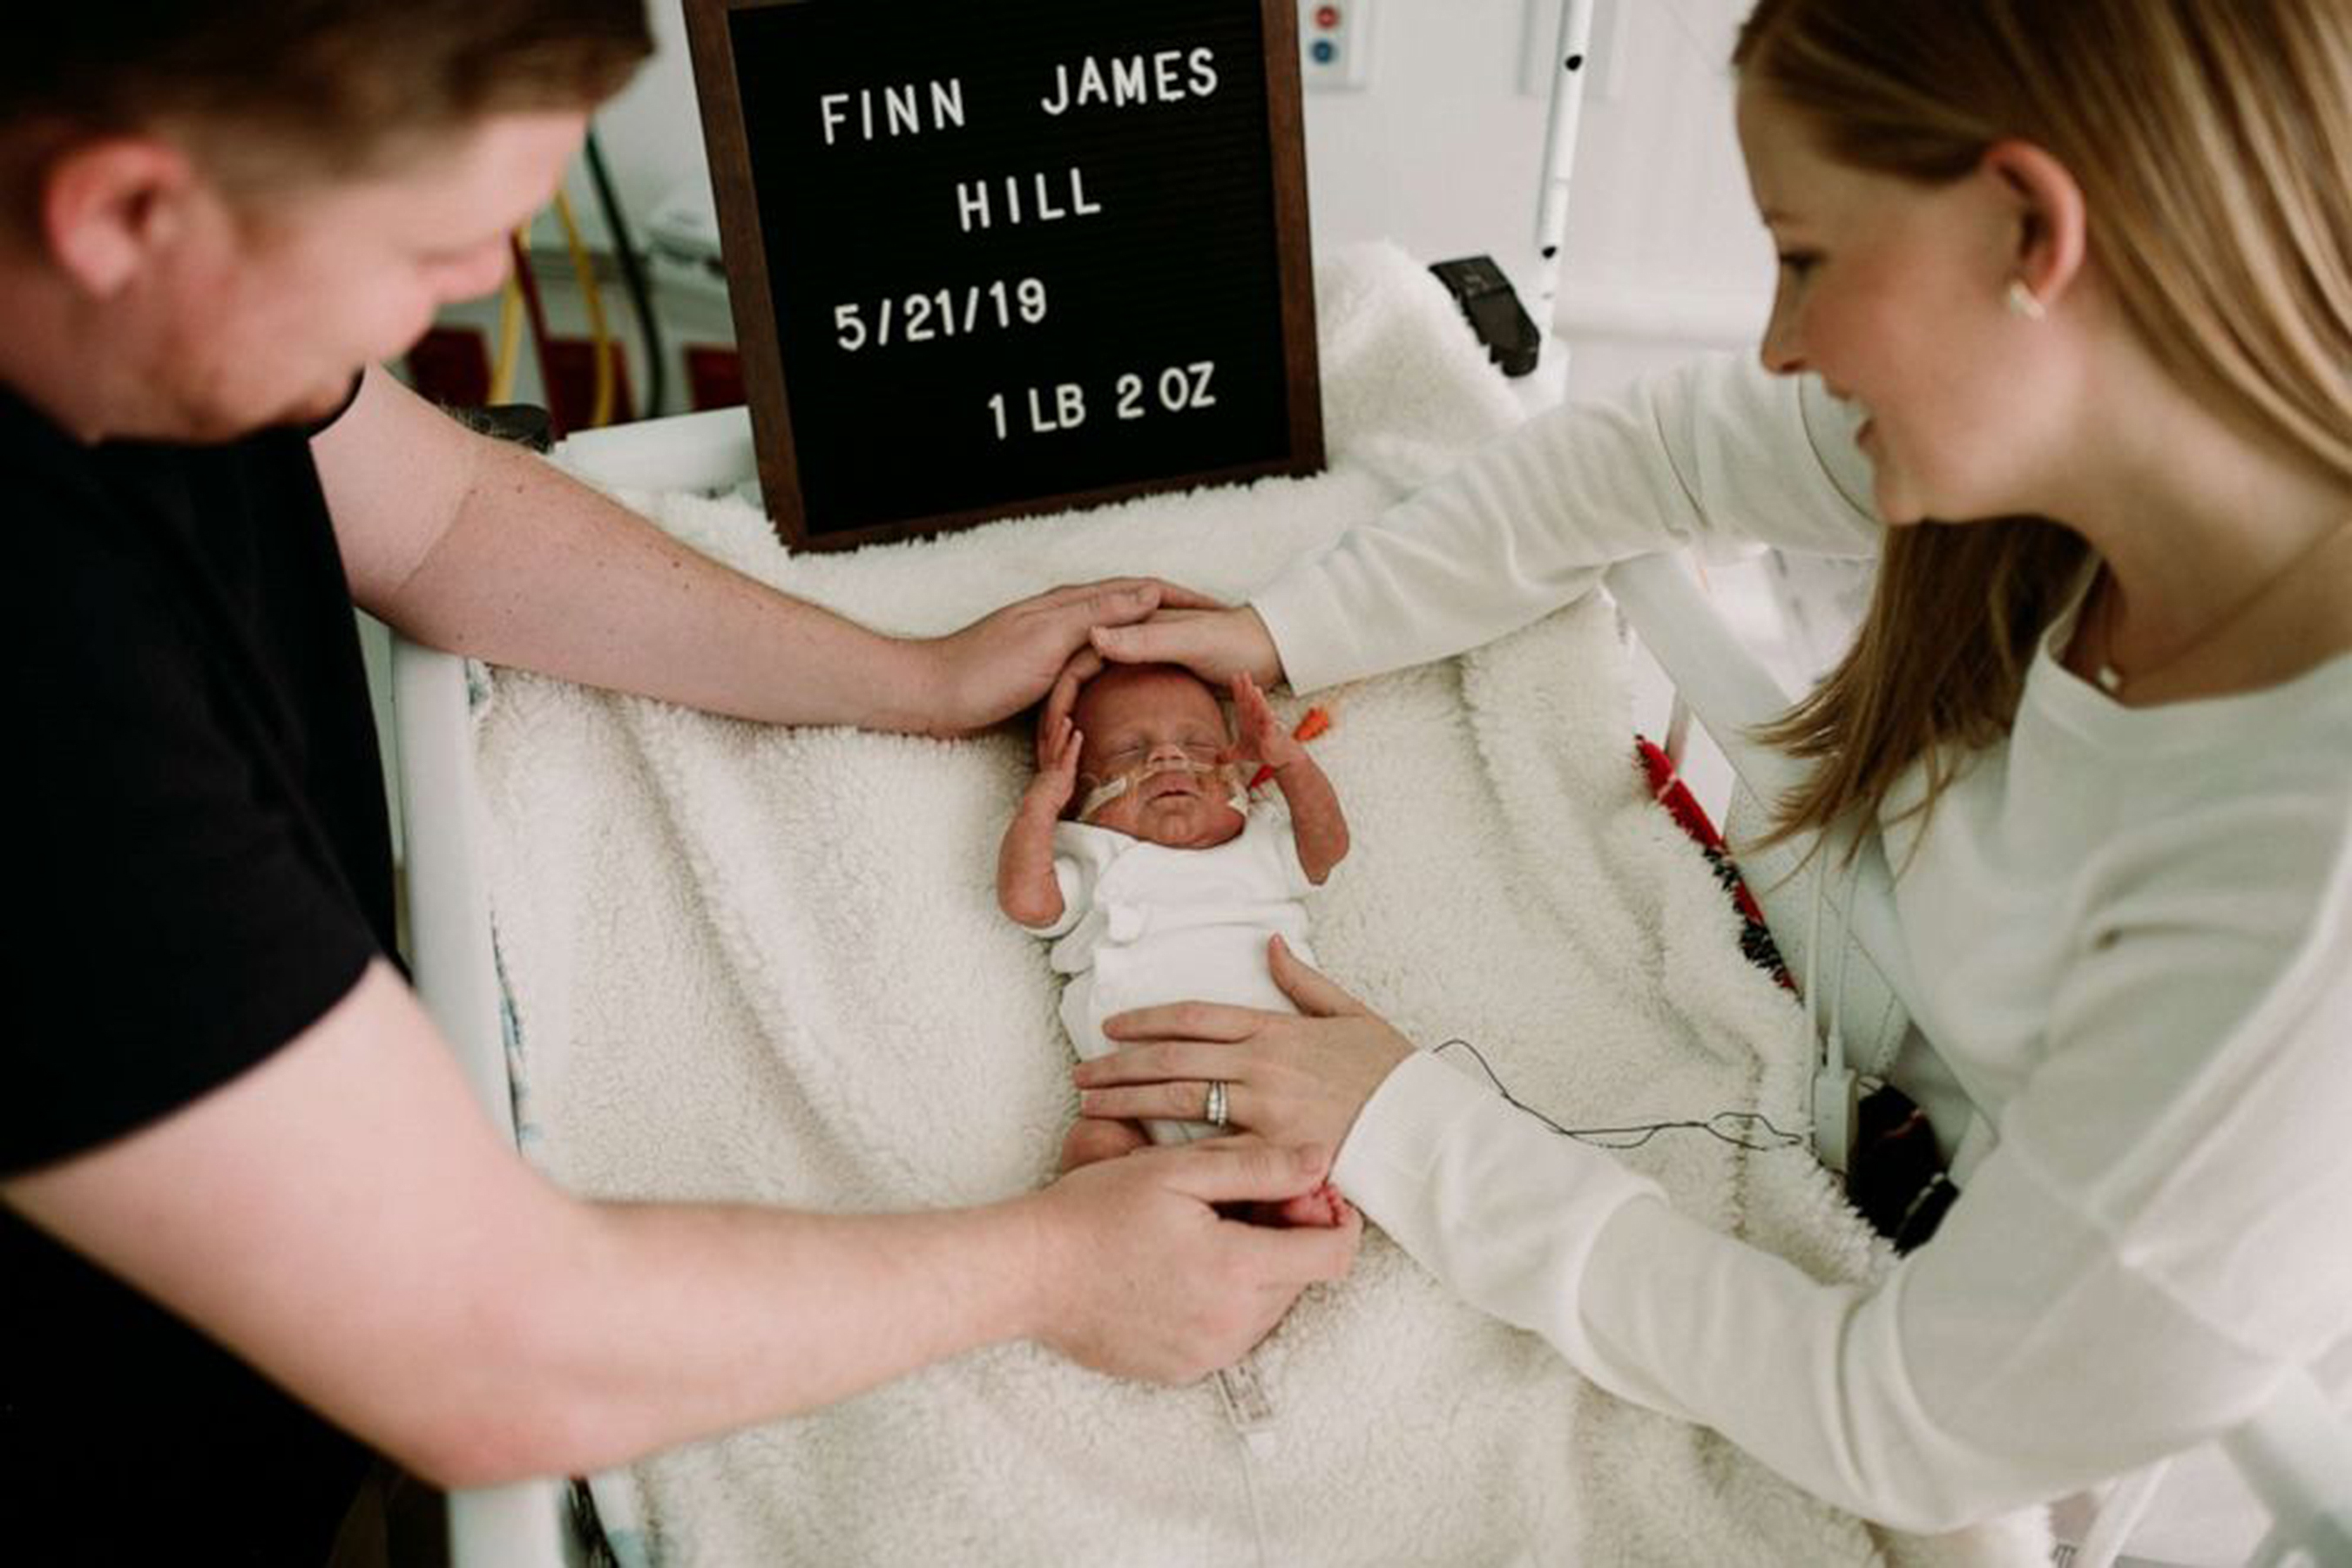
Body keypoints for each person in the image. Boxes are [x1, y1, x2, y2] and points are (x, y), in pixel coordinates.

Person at [0, 7, 1355, 1564]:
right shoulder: (43, 679)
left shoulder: (161, 297)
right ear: (121, 212)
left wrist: (913, 680)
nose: (479, 282)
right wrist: (1055, 1268)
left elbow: (439, 522)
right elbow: (483, 1341)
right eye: (432, 246)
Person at [1065, 0, 2352, 1538]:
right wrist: (1282, 630)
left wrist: (1405, 1123)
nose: (1782, 343)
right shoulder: (2082, 473)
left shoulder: (2299, 890)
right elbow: (1646, 456)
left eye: (1805, 258)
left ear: (2032, 233)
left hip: (1959, 1358)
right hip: (1844, 1096)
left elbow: (1920, 1426)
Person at [1000, 664, 1348, 1227]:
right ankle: (1117, 1233)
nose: (1167, 758)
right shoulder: (1092, 854)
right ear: (1079, 796)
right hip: (1140, 1107)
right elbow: (1025, 902)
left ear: (1239, 775)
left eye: (1198, 745)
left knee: (1289, 1139)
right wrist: (1039, 806)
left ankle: (1273, 1207)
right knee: (1095, 1144)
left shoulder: (1259, 845)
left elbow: (1328, 847)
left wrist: (1291, 763)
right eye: (1127, 752)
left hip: (1270, 1074)